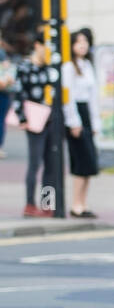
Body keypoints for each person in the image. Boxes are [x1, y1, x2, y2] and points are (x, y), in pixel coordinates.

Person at [15, 40, 71, 218]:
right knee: (35, 163)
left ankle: (47, 205)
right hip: (34, 120)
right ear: (37, 45)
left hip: (52, 121)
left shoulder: (51, 69)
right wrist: (22, 117)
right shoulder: (24, 67)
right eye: (46, 47)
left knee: (51, 164)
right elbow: (18, 93)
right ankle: (29, 204)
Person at [61, 28, 101, 217]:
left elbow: (93, 97)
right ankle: (76, 204)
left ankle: (83, 203)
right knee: (80, 161)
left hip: (86, 114)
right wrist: (73, 122)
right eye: (78, 42)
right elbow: (67, 97)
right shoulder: (68, 67)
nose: (82, 45)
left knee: (89, 163)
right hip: (75, 115)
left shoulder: (87, 66)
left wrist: (94, 123)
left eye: (85, 41)